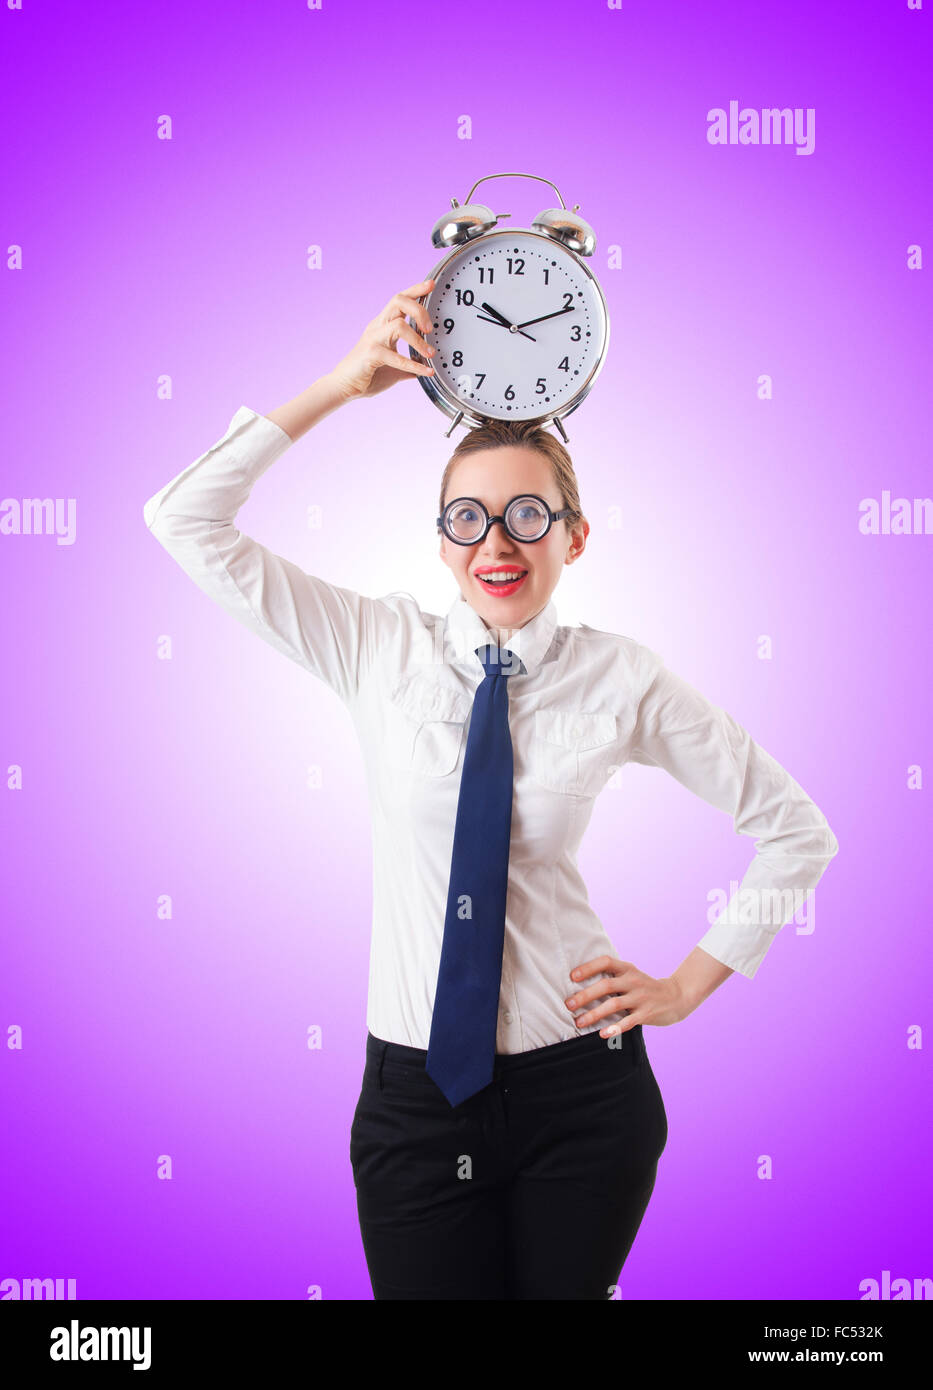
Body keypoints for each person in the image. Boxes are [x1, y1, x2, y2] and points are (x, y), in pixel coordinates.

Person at [143, 276, 839, 1300]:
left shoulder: (624, 676)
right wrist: (343, 383)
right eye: (466, 518)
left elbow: (797, 832)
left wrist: (688, 984)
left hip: (583, 1097)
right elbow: (182, 520)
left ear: (575, 534)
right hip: (416, 1099)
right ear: (440, 540)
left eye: (525, 514)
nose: (495, 544)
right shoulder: (375, 646)